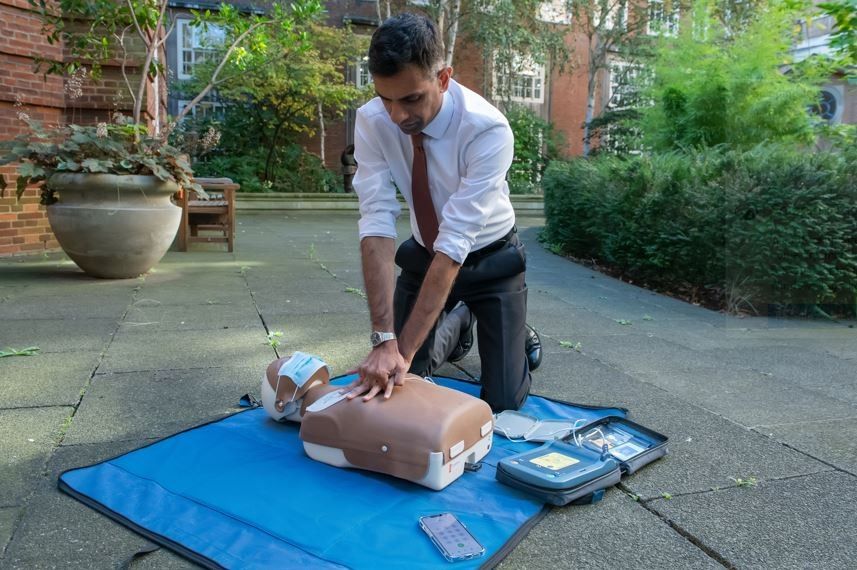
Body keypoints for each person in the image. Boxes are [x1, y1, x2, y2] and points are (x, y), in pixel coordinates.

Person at [346, 13, 541, 412]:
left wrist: (400, 350)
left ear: (444, 78)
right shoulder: (371, 120)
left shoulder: (488, 129)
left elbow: (455, 244)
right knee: (405, 381)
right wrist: (384, 342)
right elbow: (377, 222)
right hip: (423, 253)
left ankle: (498, 322)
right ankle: (460, 321)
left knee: (503, 403)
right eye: (387, 100)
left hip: (490, 258)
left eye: (412, 99)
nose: (398, 116)